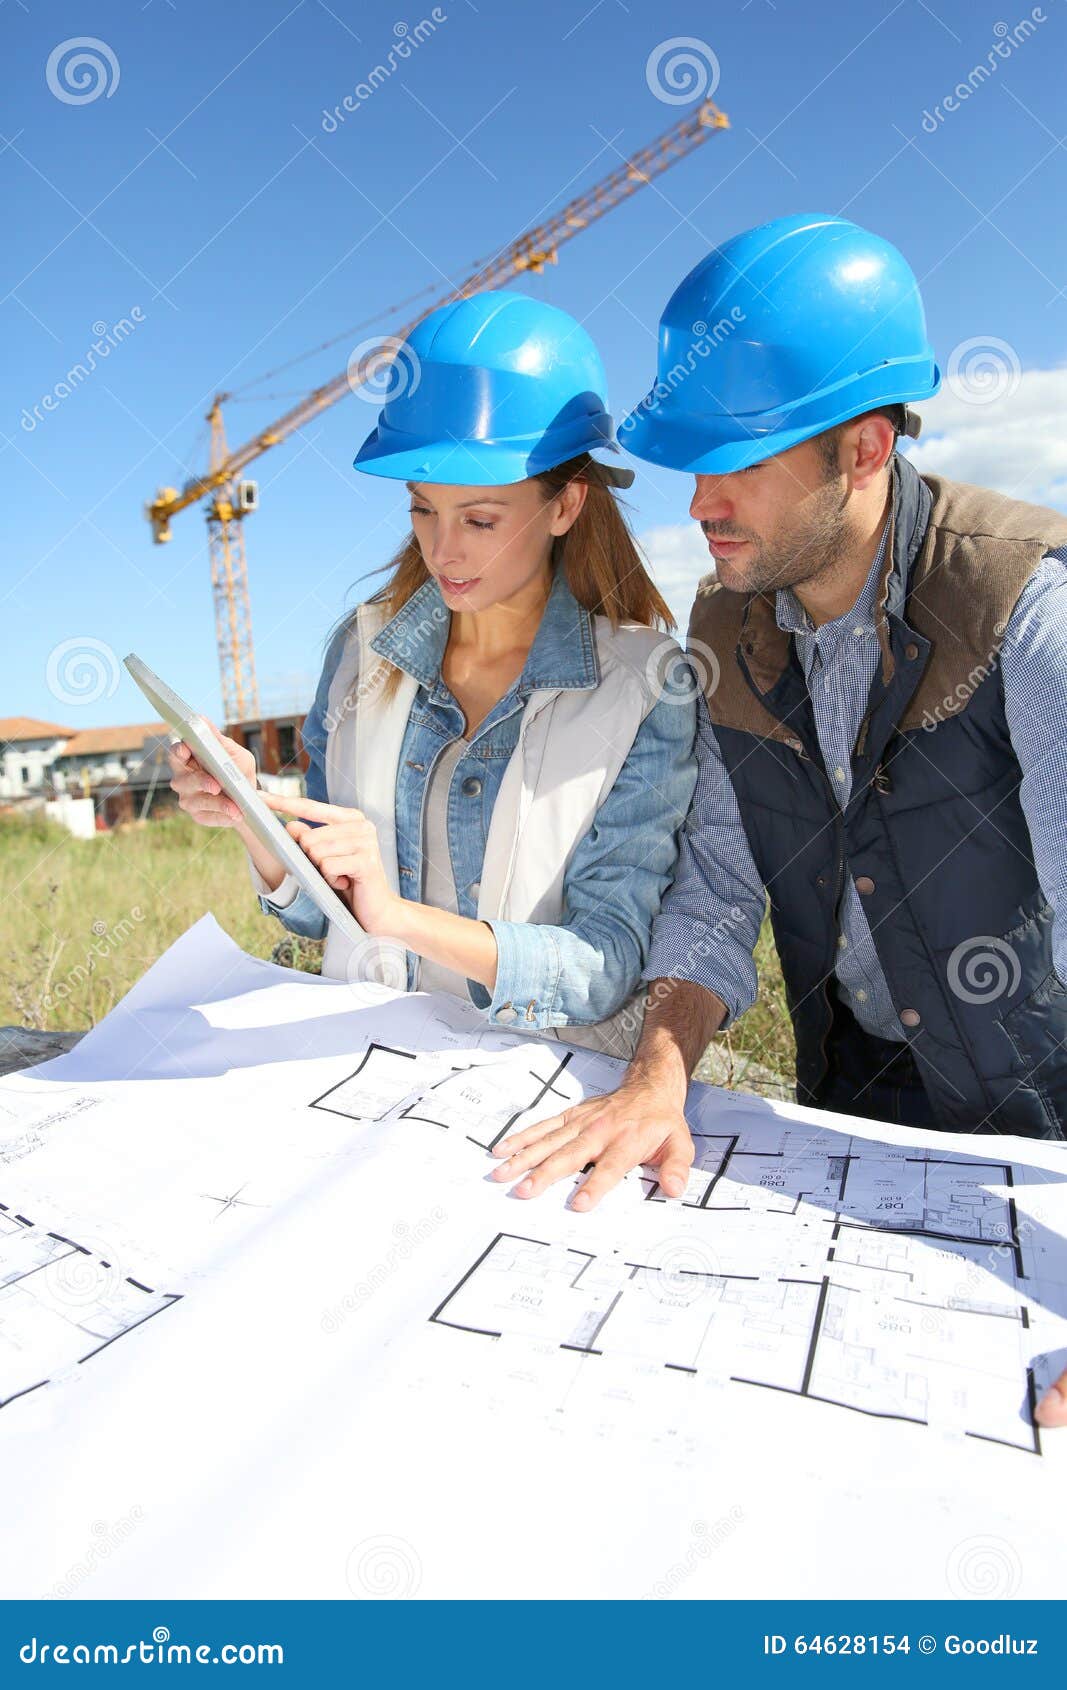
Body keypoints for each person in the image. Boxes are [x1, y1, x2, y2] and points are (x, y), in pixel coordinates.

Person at [489, 215, 1067, 1429]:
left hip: (1038, 1136)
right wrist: (657, 1075)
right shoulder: (725, 630)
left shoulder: (1025, 607)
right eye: (691, 464)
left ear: (863, 447)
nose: (699, 503)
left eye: (736, 462)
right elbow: (711, 886)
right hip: (857, 1113)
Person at [169, 290, 697, 1058]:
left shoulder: (645, 687)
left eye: (479, 519)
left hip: (541, 1085)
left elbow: (604, 968)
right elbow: (319, 916)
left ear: (564, 507)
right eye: (422, 510)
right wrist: (255, 819)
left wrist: (399, 918)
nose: (442, 550)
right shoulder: (360, 654)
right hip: (360, 1069)